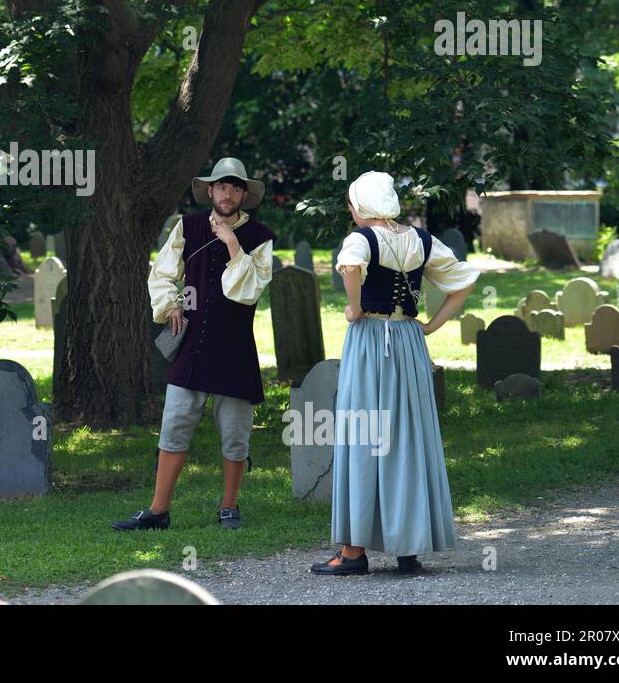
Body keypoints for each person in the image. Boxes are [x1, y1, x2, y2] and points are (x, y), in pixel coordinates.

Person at [311, 171, 478, 575]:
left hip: (370, 341)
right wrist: (431, 326)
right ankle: (409, 547)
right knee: (406, 436)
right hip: (407, 341)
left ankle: (353, 553)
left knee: (364, 432)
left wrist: (354, 308)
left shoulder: (361, 239)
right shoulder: (421, 239)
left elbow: (350, 269)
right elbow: (464, 281)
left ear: (361, 206)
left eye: (352, 204)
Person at [112, 157, 275, 531]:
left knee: (235, 435)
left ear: (243, 194)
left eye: (235, 187)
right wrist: (169, 304)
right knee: (174, 427)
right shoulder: (188, 227)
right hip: (192, 347)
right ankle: (158, 511)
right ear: (210, 191)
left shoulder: (260, 238)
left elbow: (249, 291)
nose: (227, 193)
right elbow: (163, 271)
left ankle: (229, 506)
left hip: (234, 348)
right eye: (221, 186)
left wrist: (233, 243)